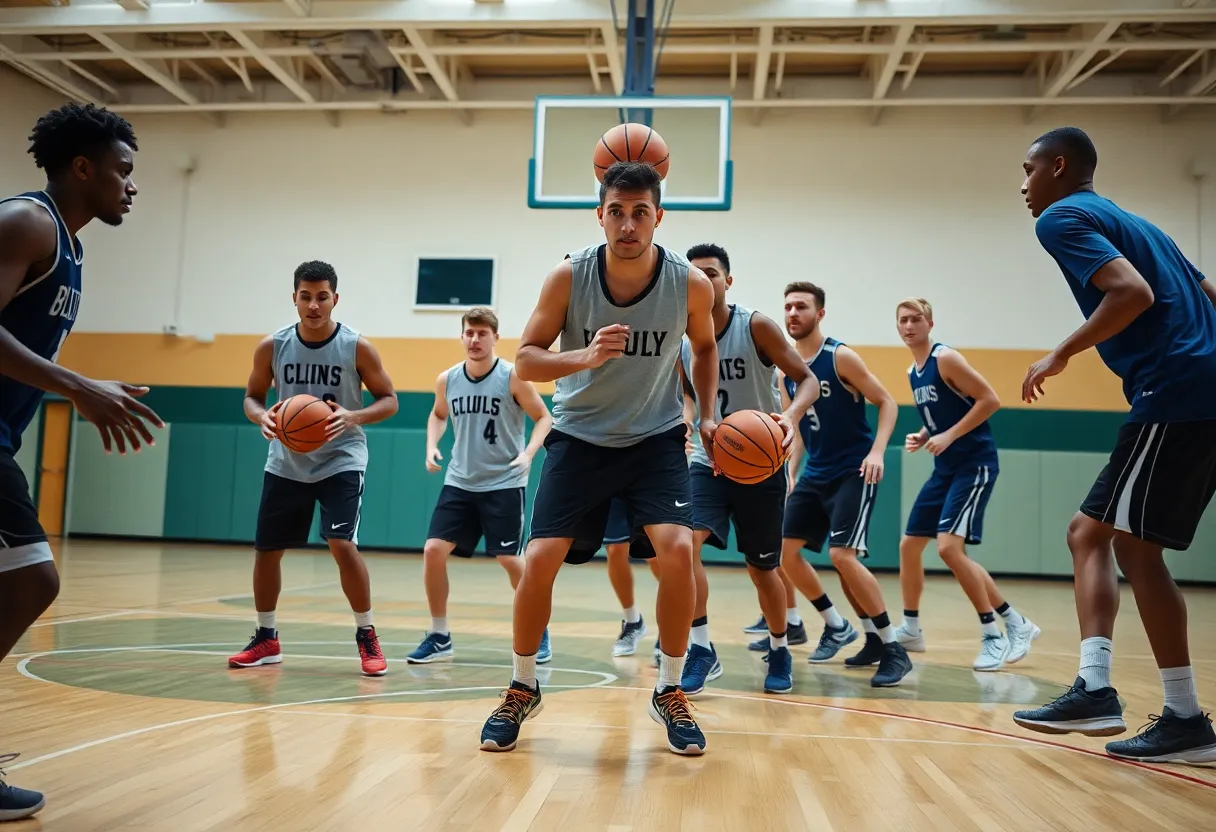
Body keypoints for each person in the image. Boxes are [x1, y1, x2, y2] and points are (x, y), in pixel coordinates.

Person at [478, 161, 719, 756]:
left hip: (655, 437)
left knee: (680, 550)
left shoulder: (690, 284)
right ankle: (522, 684)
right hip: (580, 436)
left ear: (658, 217)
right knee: (539, 559)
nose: (628, 224)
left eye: (641, 212)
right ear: (600, 215)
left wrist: (707, 414)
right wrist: (583, 358)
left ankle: (669, 689)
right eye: (617, 211)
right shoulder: (569, 277)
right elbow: (526, 361)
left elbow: (706, 346)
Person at [1012, 127, 1216, 763]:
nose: (1023, 185)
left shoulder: (1063, 216)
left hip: (1177, 390)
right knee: (1089, 532)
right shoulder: (1143, 224)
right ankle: (1096, 689)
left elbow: (1133, 293)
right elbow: (1208, 293)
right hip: (1195, 388)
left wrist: (1059, 353)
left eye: (1029, 169)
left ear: (1060, 166)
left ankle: (1184, 718)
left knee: (1133, 544)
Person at [0, 102, 164, 823]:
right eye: (123, 172)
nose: (132, 186)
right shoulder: (27, 222)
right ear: (82, 168)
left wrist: (84, 386)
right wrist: (77, 386)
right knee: (33, 577)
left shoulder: (68, 244)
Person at [230, 260, 398, 677]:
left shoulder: (357, 346)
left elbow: (389, 400)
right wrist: (262, 417)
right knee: (267, 550)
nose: (314, 304)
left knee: (341, 544)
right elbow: (252, 397)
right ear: (294, 298)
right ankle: (266, 636)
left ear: (334, 299)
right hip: (287, 461)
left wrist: (353, 417)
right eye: (306, 296)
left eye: (322, 296)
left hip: (341, 458)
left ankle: (366, 634)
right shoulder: (273, 346)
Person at [675, 245, 815, 696]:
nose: (703, 280)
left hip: (761, 462)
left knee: (762, 568)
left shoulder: (754, 325)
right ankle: (700, 648)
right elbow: (689, 396)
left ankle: (779, 648)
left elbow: (807, 380)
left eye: (711, 273)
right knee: (683, 546)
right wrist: (686, 419)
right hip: (709, 460)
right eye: (694, 274)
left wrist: (790, 417)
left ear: (727, 282)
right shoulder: (680, 336)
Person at [777, 282, 913, 686]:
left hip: (853, 471)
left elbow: (888, 402)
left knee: (842, 556)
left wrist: (877, 451)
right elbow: (797, 427)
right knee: (783, 552)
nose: (792, 314)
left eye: (801, 307)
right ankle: (845, 628)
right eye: (787, 307)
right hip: (814, 472)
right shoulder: (787, 370)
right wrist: (792, 471)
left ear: (819, 314)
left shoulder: (841, 357)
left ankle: (892, 646)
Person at [896, 298, 1039, 671]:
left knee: (948, 549)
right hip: (945, 468)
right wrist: (925, 433)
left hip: (974, 465)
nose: (909, 326)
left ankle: (997, 631)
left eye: (915, 319)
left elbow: (989, 399)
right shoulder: (914, 372)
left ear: (930, 323)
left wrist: (951, 436)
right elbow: (944, 412)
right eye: (903, 321)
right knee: (909, 545)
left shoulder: (947, 359)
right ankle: (911, 627)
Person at [410, 307, 553, 664]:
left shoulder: (512, 377)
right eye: (469, 333)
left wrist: (530, 453)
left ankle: (538, 629)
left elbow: (544, 417)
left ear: (495, 338)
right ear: (462, 336)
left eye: (482, 333)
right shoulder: (447, 379)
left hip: (504, 482)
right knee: (432, 551)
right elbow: (438, 414)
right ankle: (439, 634)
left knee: (508, 558)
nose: (475, 340)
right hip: (460, 481)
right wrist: (431, 446)